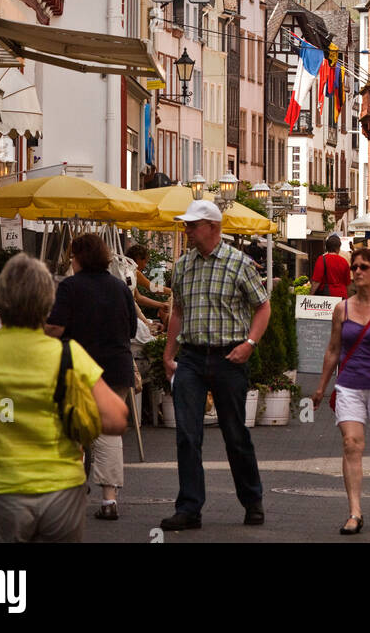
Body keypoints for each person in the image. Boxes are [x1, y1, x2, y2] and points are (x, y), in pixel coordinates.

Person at [0, 253, 128, 543]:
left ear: (0, 300)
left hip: (0, 491)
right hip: (61, 491)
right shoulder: (69, 355)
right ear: (48, 303)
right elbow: (116, 419)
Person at [160, 200, 271, 531]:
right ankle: (189, 508)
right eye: (187, 225)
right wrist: (169, 354)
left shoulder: (239, 264)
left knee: (235, 433)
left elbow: (262, 307)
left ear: (212, 227)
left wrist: (249, 344)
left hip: (228, 357)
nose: (187, 231)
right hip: (192, 357)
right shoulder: (182, 266)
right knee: (186, 434)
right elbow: (177, 311)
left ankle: (252, 500)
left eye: (192, 226)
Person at [312, 247, 370, 533]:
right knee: (352, 444)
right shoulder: (342, 308)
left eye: (364, 267)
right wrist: (321, 387)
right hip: (349, 384)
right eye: (354, 268)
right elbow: (333, 349)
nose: (357, 272)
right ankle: (355, 511)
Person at [46, 233, 137, 521]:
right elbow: (133, 330)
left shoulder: (70, 287)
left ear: (79, 258)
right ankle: (109, 500)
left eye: (72, 257)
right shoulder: (120, 288)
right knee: (108, 433)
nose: (71, 262)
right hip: (117, 368)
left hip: (80, 368)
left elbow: (56, 328)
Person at [126, 242, 171, 326]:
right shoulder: (133, 271)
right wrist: (172, 291)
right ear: (138, 258)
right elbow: (152, 287)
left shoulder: (125, 270)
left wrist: (161, 305)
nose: (145, 265)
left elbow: (138, 298)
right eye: (145, 262)